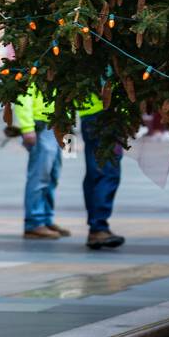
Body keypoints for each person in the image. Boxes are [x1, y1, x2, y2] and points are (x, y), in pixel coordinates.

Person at [14, 86, 68, 239]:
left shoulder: (57, 68)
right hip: (41, 125)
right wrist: (27, 127)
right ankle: (34, 223)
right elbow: (23, 96)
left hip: (56, 125)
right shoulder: (35, 67)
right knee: (40, 176)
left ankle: (46, 219)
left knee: (52, 176)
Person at [78, 93, 126, 249]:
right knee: (108, 172)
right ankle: (98, 227)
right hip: (105, 114)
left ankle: (96, 227)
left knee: (96, 173)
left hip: (90, 114)